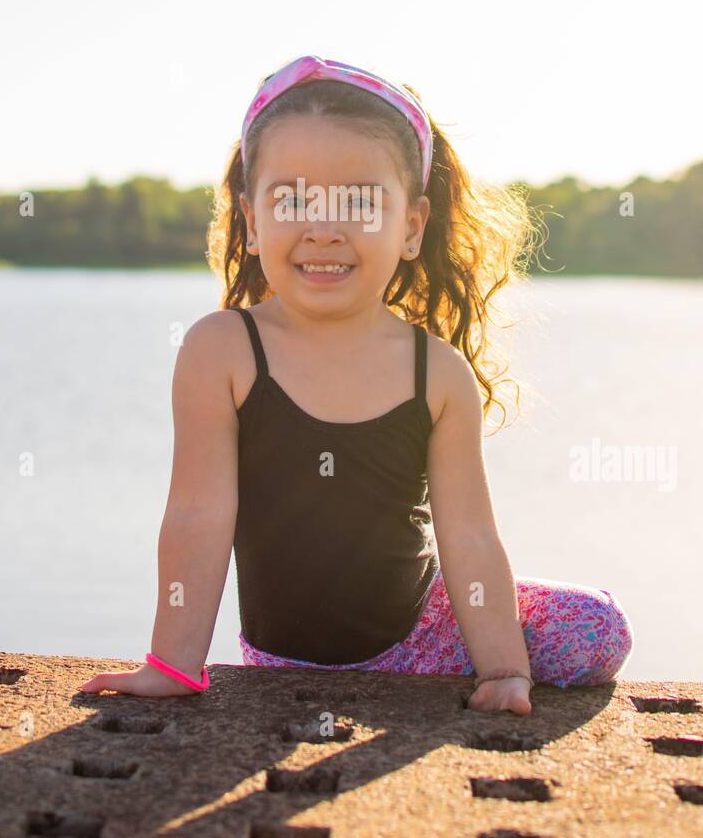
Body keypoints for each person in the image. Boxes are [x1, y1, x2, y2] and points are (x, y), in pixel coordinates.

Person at [80, 54, 633, 715]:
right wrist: (173, 664)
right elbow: (199, 517)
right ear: (252, 222)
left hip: (425, 639)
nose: (324, 227)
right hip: (284, 657)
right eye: (292, 199)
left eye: (360, 202)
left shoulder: (437, 372)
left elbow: (471, 536)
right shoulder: (222, 350)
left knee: (599, 629)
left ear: (411, 226)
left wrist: (504, 670)